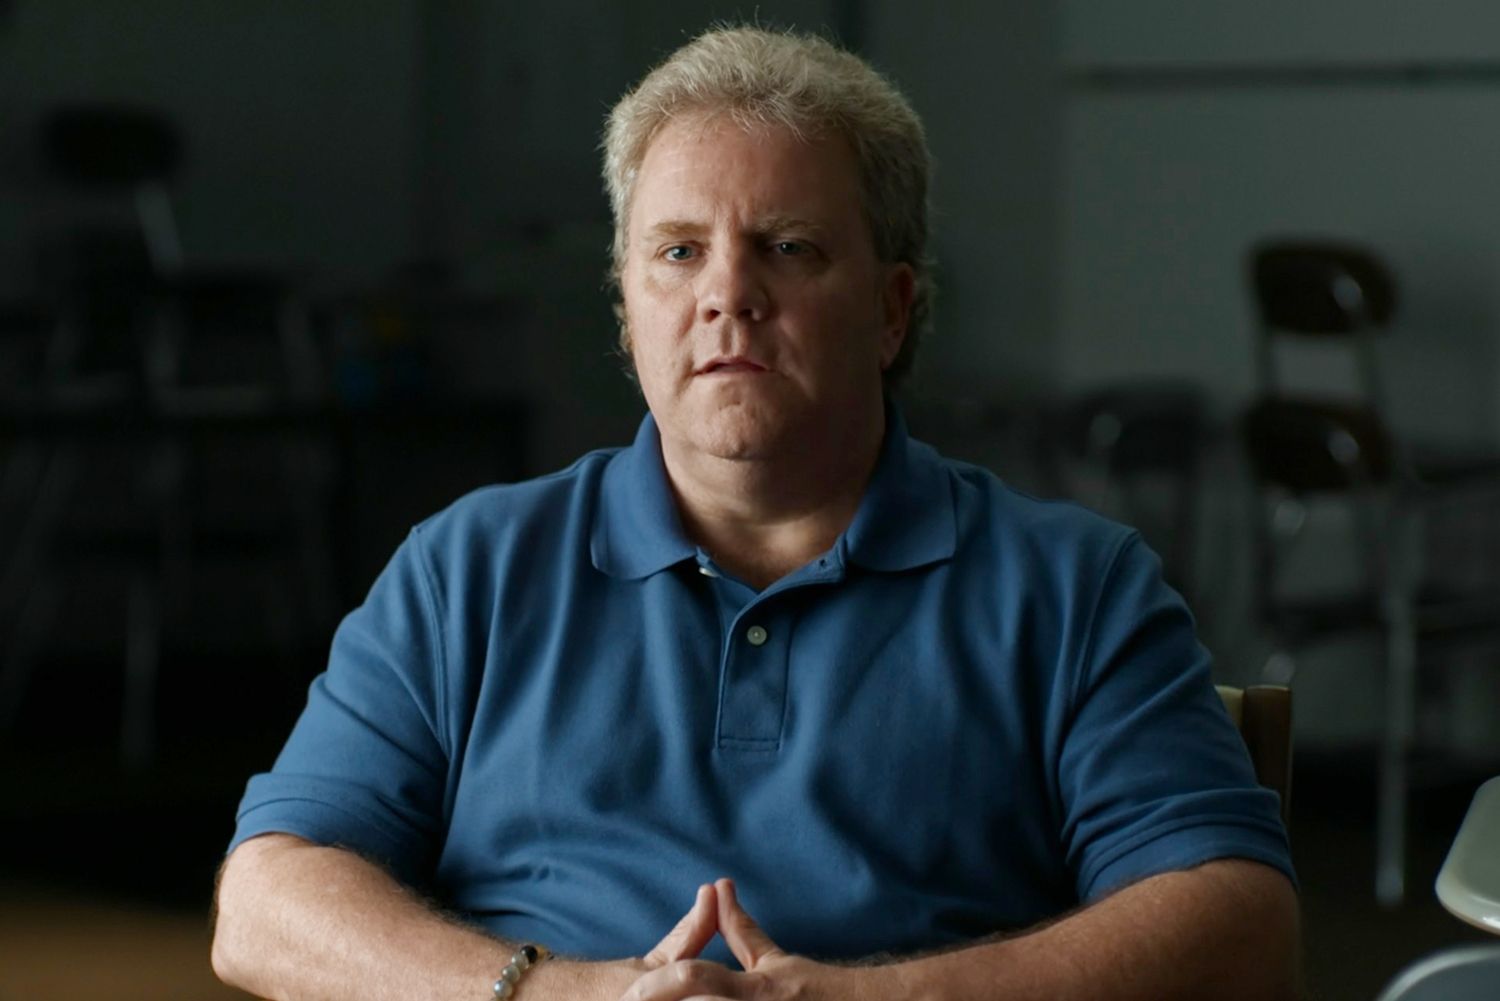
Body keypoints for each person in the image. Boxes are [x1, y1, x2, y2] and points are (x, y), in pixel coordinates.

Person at [211, 25, 1299, 1001]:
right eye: (678, 251)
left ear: (891, 308)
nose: (727, 293)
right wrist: (562, 995)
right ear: (628, 308)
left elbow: (1242, 923)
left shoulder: (1075, 587)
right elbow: (264, 903)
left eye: (787, 246)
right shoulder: (468, 570)